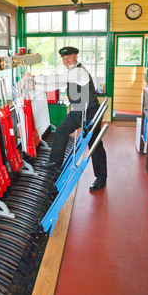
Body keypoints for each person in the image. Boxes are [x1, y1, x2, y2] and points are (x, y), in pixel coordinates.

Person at [22, 46, 107, 192]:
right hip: (79, 112)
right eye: (64, 58)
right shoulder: (71, 73)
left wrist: (34, 77)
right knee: (61, 130)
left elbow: (57, 78)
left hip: (91, 112)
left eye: (69, 57)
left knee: (95, 144)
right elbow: (55, 84)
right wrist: (34, 87)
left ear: (76, 57)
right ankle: (55, 163)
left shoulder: (78, 72)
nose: (66, 60)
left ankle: (101, 178)